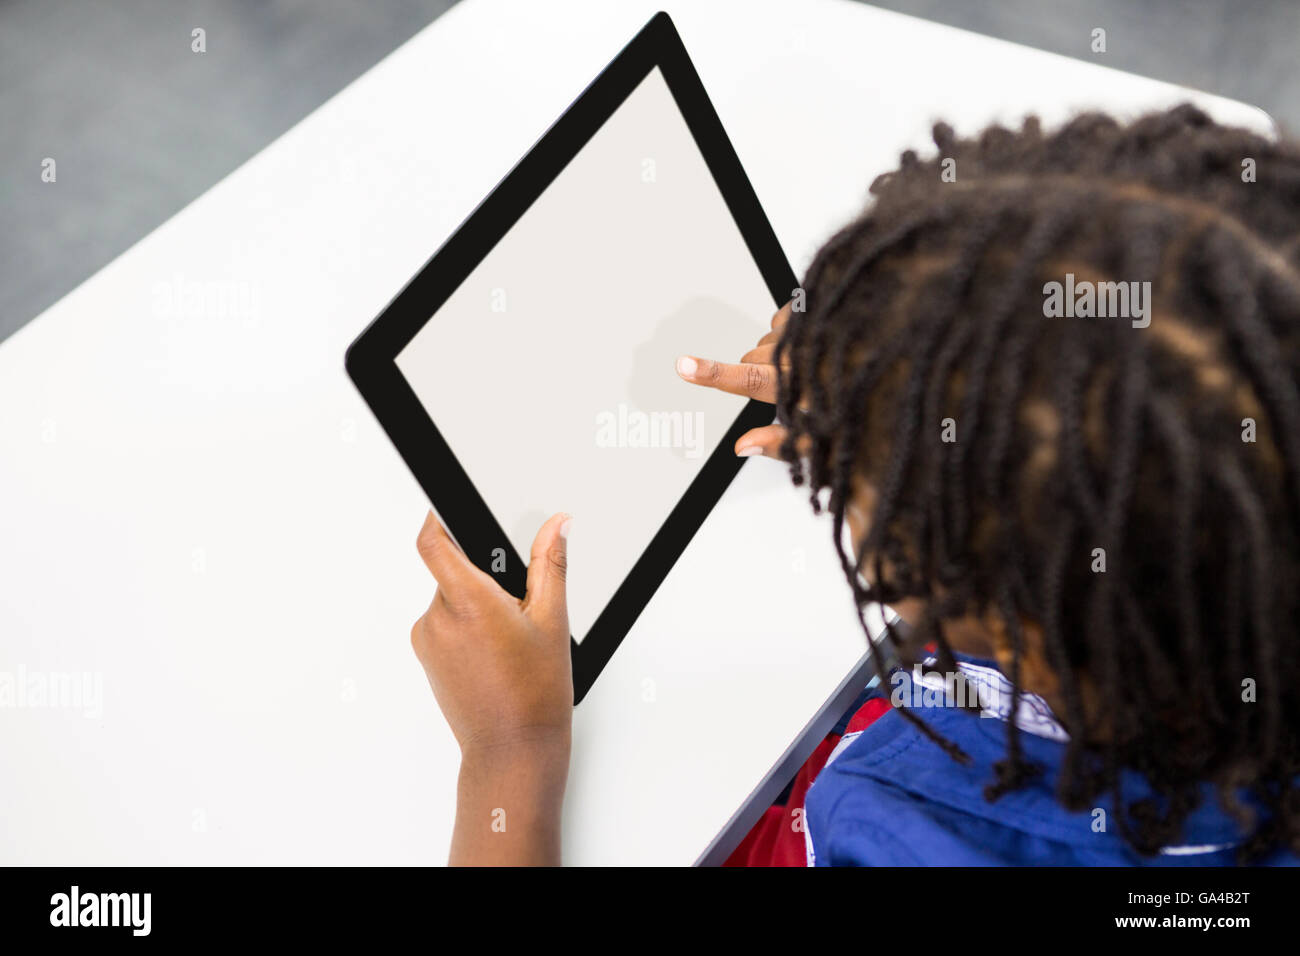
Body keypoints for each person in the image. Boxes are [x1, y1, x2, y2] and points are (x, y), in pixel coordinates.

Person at [409, 105, 1300, 866]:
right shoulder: (1213, 611)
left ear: (980, 593)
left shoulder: (902, 836)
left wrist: (510, 758)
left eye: (871, 479)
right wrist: (899, 400)